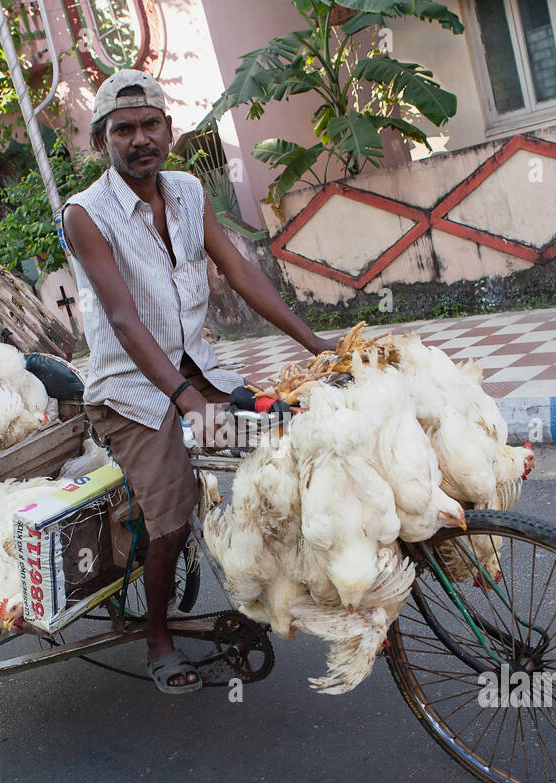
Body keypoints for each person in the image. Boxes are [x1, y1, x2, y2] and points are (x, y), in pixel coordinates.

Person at [62, 68, 332, 694]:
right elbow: (125, 321)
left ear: (169, 129)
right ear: (103, 139)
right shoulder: (86, 215)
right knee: (174, 516)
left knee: (286, 442)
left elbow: (241, 273)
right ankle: (158, 635)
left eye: (149, 124)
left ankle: (282, 578)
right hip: (128, 388)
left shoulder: (187, 192)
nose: (139, 139)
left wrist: (315, 342)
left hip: (195, 366)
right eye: (122, 129)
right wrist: (184, 403)